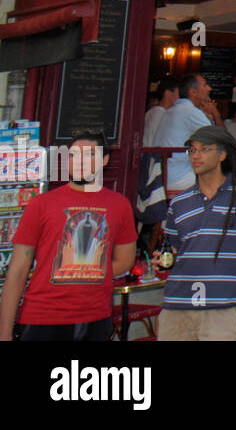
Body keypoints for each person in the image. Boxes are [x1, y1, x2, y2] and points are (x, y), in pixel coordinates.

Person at [0, 133, 136, 342]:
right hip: (41, 317)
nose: (80, 161)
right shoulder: (41, 204)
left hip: (95, 316)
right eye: (74, 155)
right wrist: (4, 332)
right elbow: (17, 270)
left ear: (104, 160)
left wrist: (87, 271)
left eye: (89, 155)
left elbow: (126, 260)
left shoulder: (120, 205)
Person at [155, 125, 236, 340]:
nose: (195, 155)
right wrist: (162, 259)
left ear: (222, 154)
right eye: (192, 150)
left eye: (204, 149)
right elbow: (173, 251)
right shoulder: (179, 203)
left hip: (222, 306)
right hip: (177, 306)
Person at [154, 74, 214, 192]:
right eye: (205, 85)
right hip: (178, 177)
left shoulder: (171, 111)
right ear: (193, 92)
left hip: (161, 176)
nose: (209, 89)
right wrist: (215, 114)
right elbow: (218, 138)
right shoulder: (189, 111)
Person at [142, 77, 181, 148]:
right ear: (167, 93)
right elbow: (151, 141)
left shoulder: (155, 112)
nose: (180, 98)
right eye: (178, 93)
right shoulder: (159, 113)